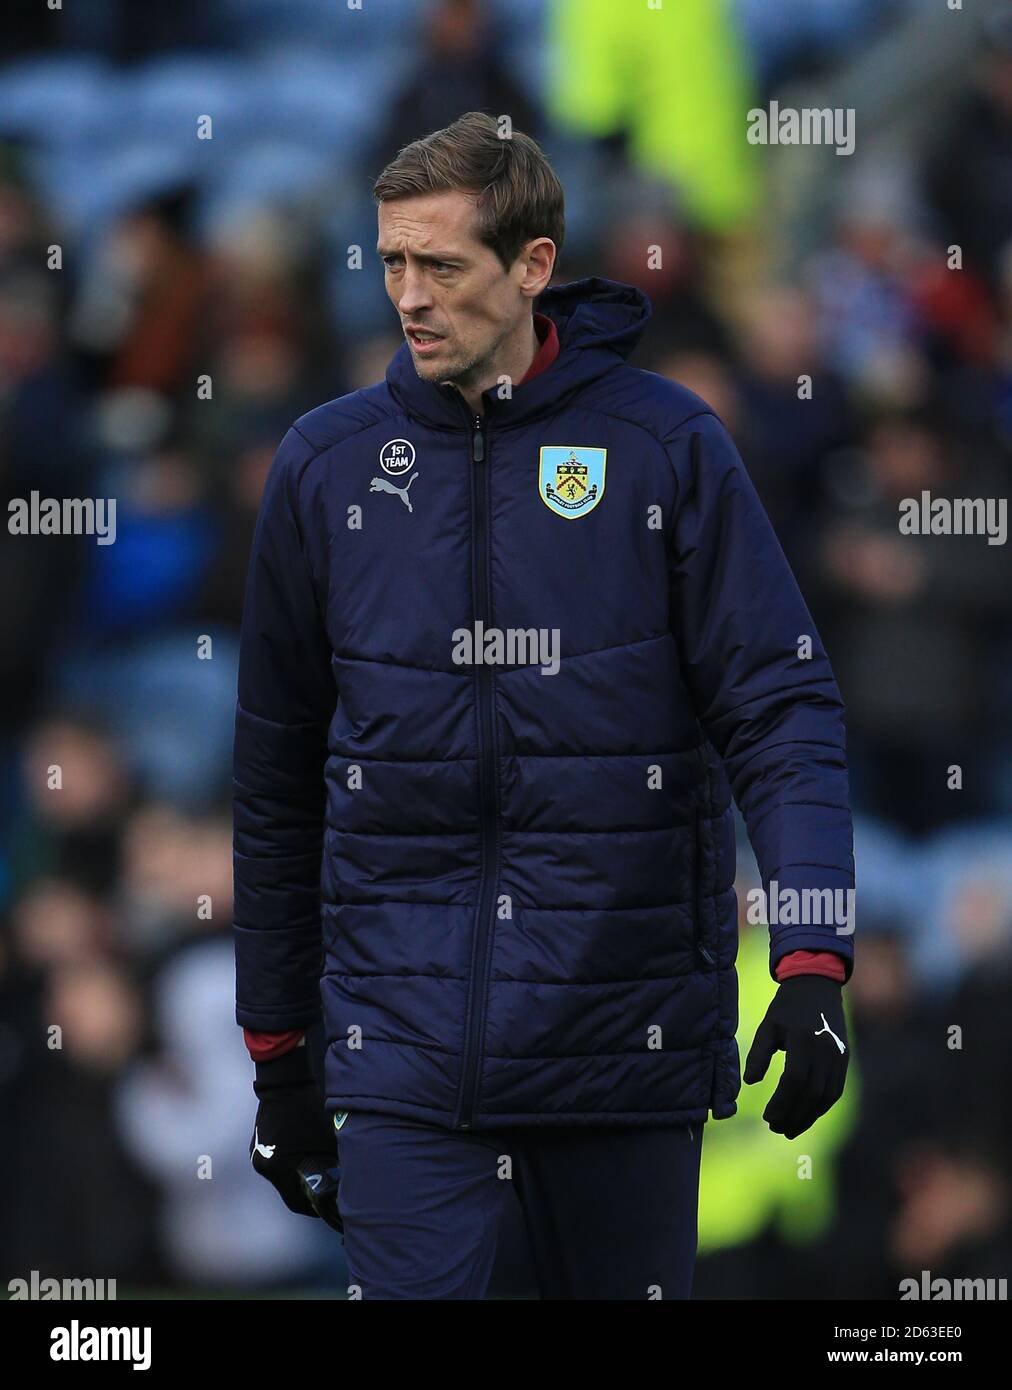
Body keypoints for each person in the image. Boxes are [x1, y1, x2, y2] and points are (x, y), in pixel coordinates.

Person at [233, 111, 855, 1300]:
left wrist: (814, 956)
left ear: (530, 266)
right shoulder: (324, 468)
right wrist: (277, 1058)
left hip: (621, 1047)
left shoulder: (667, 449)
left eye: (442, 267)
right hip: (403, 1064)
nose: (408, 297)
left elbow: (781, 710)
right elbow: (273, 779)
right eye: (391, 264)